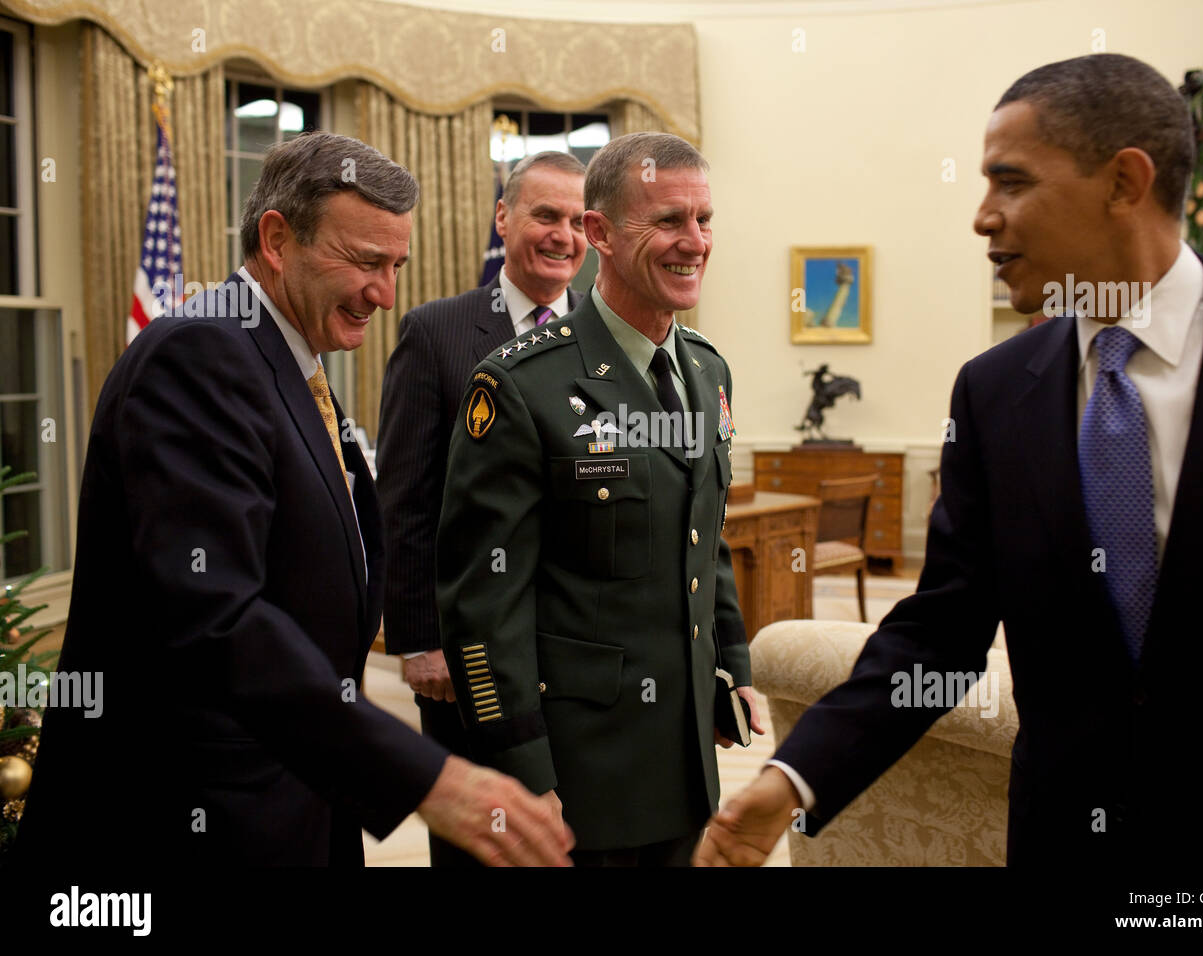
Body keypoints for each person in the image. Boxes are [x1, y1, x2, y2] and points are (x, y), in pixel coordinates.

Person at [697, 53, 1203, 870]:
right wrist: (795, 776)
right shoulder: (996, 391)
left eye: (1011, 182)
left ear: (1125, 181)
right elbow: (941, 635)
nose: (983, 217)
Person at [17, 132, 573, 867]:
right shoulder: (201, 354)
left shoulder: (286, 357)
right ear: (277, 239)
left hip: (293, 795)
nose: (386, 293)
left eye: (396, 265)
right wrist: (426, 776)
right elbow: (218, 618)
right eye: (367, 262)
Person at [436, 132, 762, 866]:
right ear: (600, 234)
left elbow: (703, 542)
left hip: (683, 760)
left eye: (704, 220)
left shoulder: (708, 372)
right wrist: (522, 764)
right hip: (577, 773)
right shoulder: (522, 385)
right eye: (669, 222)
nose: (695, 242)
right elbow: (482, 600)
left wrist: (732, 670)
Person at [376, 150, 588, 866]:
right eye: (544, 216)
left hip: (583, 654)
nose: (563, 235)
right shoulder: (435, 331)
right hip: (471, 656)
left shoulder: (608, 333)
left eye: (576, 220)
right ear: (504, 218)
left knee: (573, 838)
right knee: (486, 848)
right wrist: (417, 639)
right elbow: (403, 497)